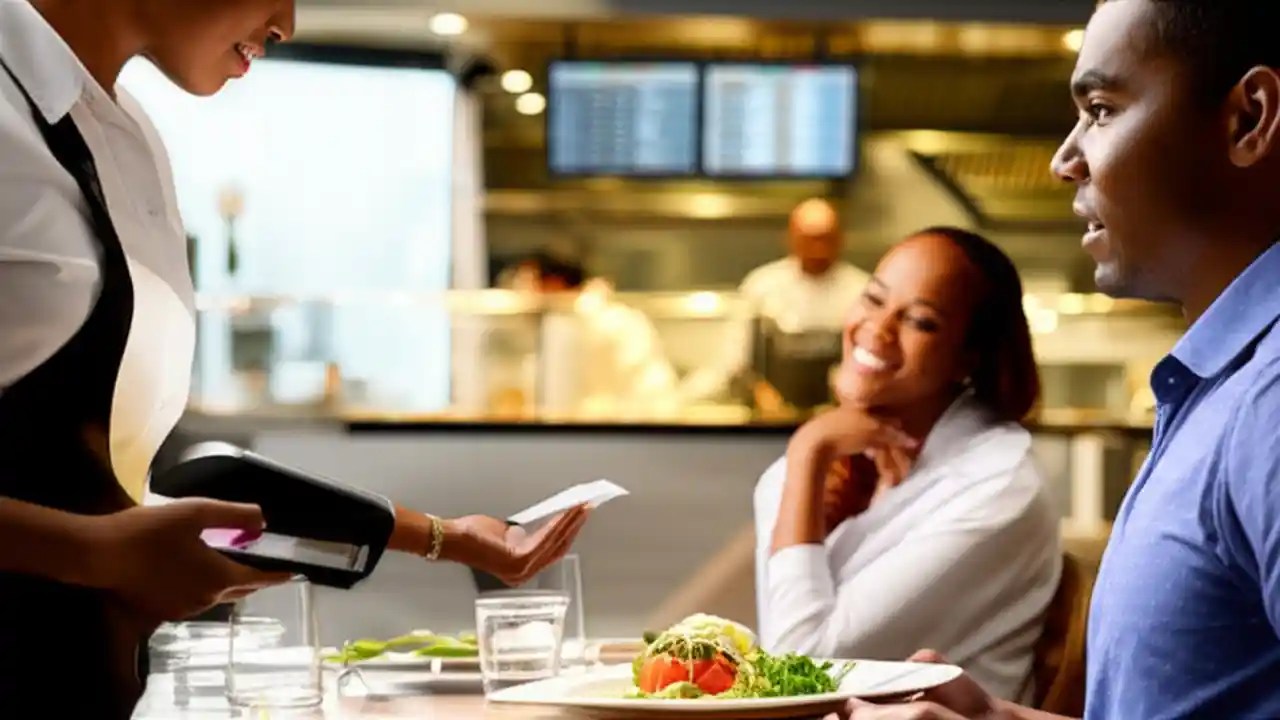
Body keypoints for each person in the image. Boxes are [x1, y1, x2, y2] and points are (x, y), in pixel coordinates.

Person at [0, 1, 587, 716]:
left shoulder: (126, 135)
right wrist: (97, 555)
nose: (287, 21)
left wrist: (448, 537)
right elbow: (101, 528)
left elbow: (132, 476)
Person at [834, 2, 1280, 719]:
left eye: (1101, 109)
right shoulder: (1219, 386)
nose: (1064, 160)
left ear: (1248, 119)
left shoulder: (1270, 400)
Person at [753, 227, 1060, 703]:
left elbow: (801, 665)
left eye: (919, 321)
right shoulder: (855, 455)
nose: (876, 328)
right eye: (873, 299)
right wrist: (811, 463)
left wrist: (807, 454)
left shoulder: (998, 485)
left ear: (969, 357)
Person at [682, 197, 870, 411]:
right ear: (791, 239)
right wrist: (682, 400)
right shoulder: (762, 286)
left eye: (825, 239)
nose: (818, 249)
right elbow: (733, 358)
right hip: (771, 416)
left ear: (840, 239)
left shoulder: (863, 291)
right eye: (809, 240)